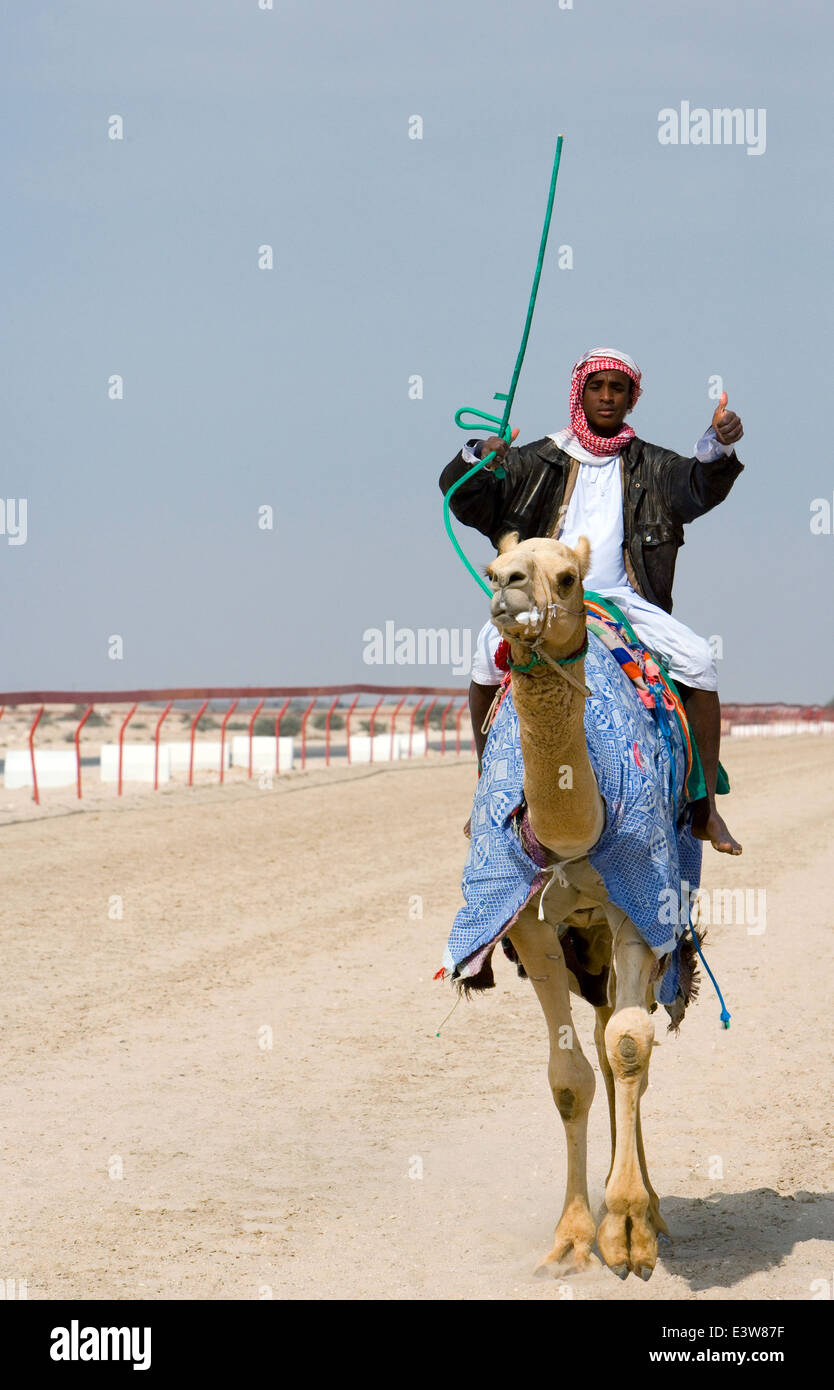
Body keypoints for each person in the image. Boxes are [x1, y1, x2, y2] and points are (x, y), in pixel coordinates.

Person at [439, 348, 744, 855]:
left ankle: (705, 809)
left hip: (625, 599)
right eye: (597, 387)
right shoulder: (536, 459)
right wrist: (479, 455)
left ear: (631, 399)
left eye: (617, 389)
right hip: (546, 598)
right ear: (580, 391)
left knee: (699, 661)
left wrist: (716, 443)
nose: (607, 397)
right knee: (483, 660)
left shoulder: (651, 464)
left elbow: (697, 487)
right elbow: (467, 501)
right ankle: (484, 791)